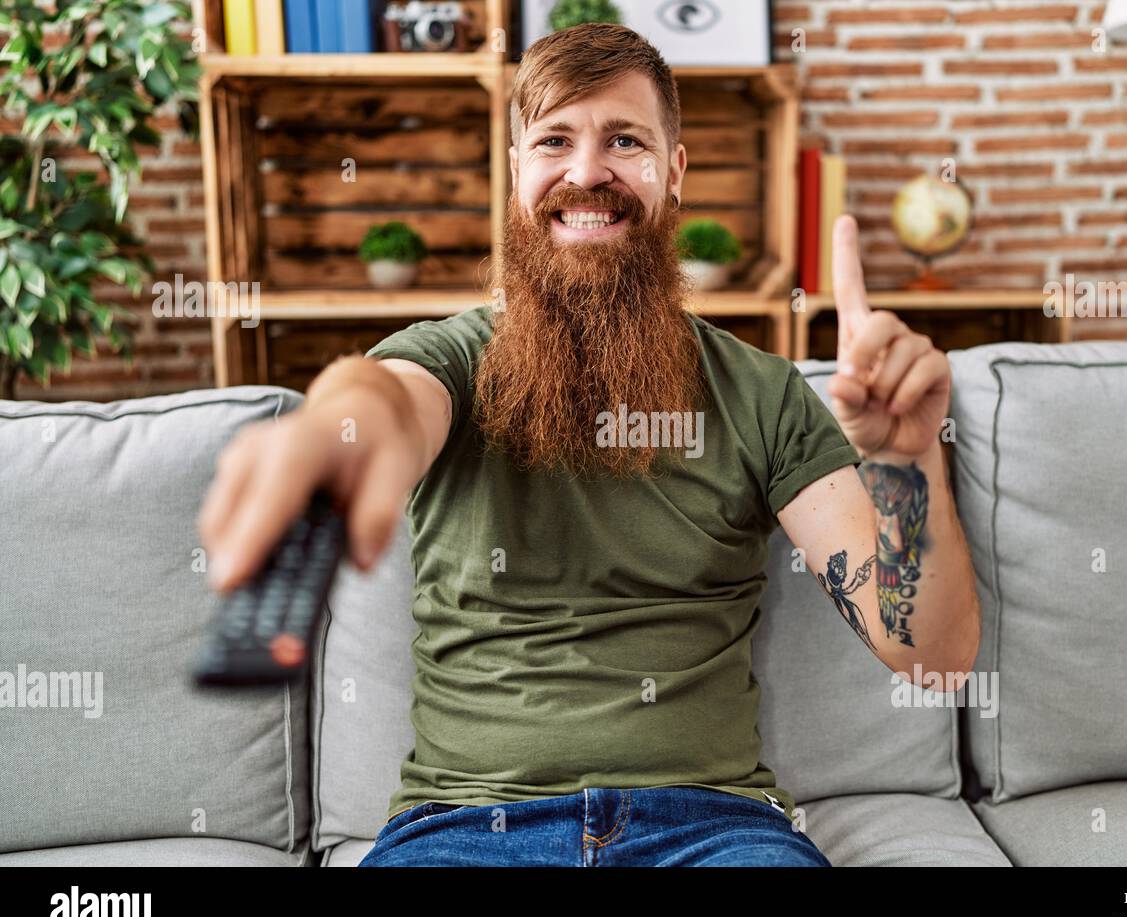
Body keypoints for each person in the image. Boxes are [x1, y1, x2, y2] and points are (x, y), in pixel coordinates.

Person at [197, 23, 981, 867]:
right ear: (516, 170)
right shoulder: (450, 361)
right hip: (465, 831)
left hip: (714, 832)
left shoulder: (765, 395)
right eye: (555, 140)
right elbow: (382, 403)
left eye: (625, 141)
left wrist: (907, 461)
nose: (585, 172)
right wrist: (331, 435)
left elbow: (932, 657)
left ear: (673, 173)